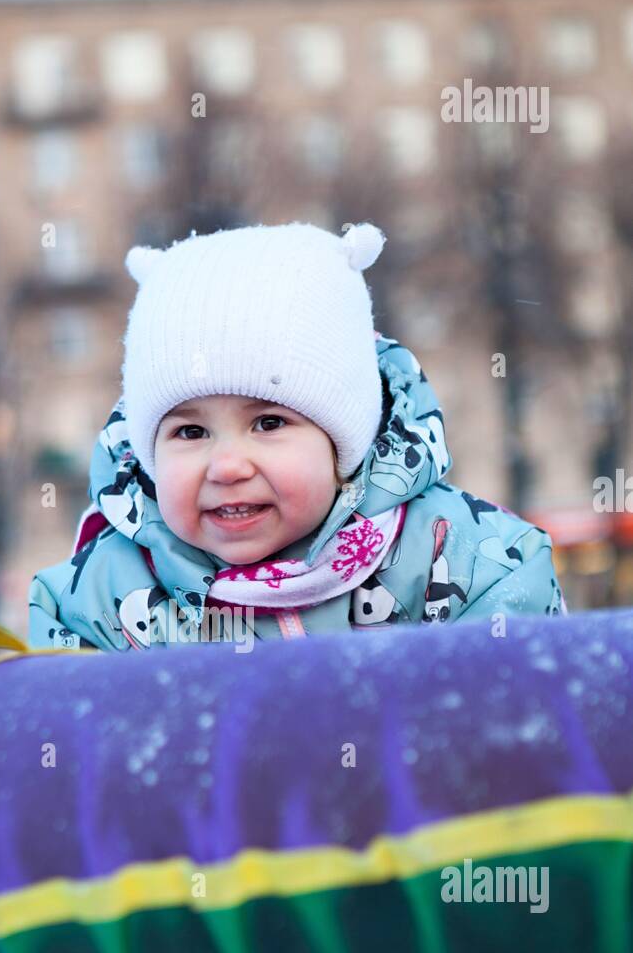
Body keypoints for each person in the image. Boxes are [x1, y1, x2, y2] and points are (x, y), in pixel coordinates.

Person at [28, 221, 565, 651]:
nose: (228, 465)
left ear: (344, 442)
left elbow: (520, 733)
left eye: (269, 423)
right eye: (190, 431)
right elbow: (82, 765)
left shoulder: (466, 561)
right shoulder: (95, 599)